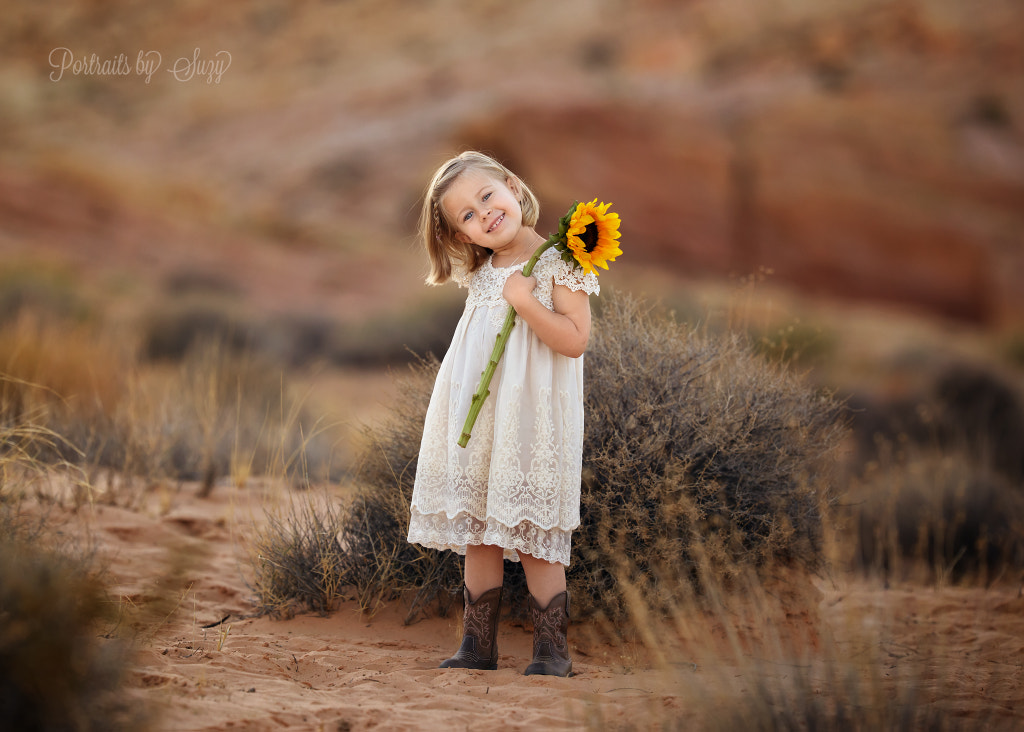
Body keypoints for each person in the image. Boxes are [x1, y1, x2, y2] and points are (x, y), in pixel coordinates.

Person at [406, 151, 599, 677]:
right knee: (480, 530)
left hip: (531, 420)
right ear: (464, 237)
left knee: (534, 529)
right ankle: (477, 646)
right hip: (481, 415)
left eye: (487, 196)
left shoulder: (562, 260)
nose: (484, 213)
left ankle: (552, 651)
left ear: (513, 186)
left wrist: (528, 302)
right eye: (467, 215)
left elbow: (575, 340)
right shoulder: (484, 271)